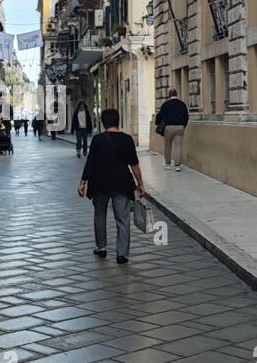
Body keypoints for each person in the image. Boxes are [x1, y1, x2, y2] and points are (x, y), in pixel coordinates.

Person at [78, 109, 145, 265]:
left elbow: (91, 163)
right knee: (123, 219)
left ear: (103, 122)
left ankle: (101, 247)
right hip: (121, 183)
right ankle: (122, 254)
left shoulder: (97, 140)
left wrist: (83, 182)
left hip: (100, 183)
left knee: (99, 215)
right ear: (118, 121)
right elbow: (134, 164)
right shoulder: (127, 139)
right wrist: (140, 183)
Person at [155, 88, 190, 171]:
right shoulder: (182, 104)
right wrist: (183, 126)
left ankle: (167, 164)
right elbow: (186, 116)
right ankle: (177, 165)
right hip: (180, 127)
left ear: (169, 95)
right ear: (176, 94)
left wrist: (157, 122)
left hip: (168, 127)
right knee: (178, 146)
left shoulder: (166, 104)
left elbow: (160, 115)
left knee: (167, 146)